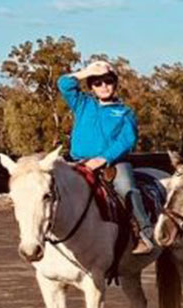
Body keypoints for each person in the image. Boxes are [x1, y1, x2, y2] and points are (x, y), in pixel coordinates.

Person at [58, 60, 146, 253]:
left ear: (115, 84)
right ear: (91, 86)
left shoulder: (125, 112)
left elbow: (126, 140)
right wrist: (85, 72)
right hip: (79, 162)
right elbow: (63, 84)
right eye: (97, 83)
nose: (103, 86)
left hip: (112, 163)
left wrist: (103, 159)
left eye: (108, 81)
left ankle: (144, 234)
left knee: (127, 188)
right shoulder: (82, 103)